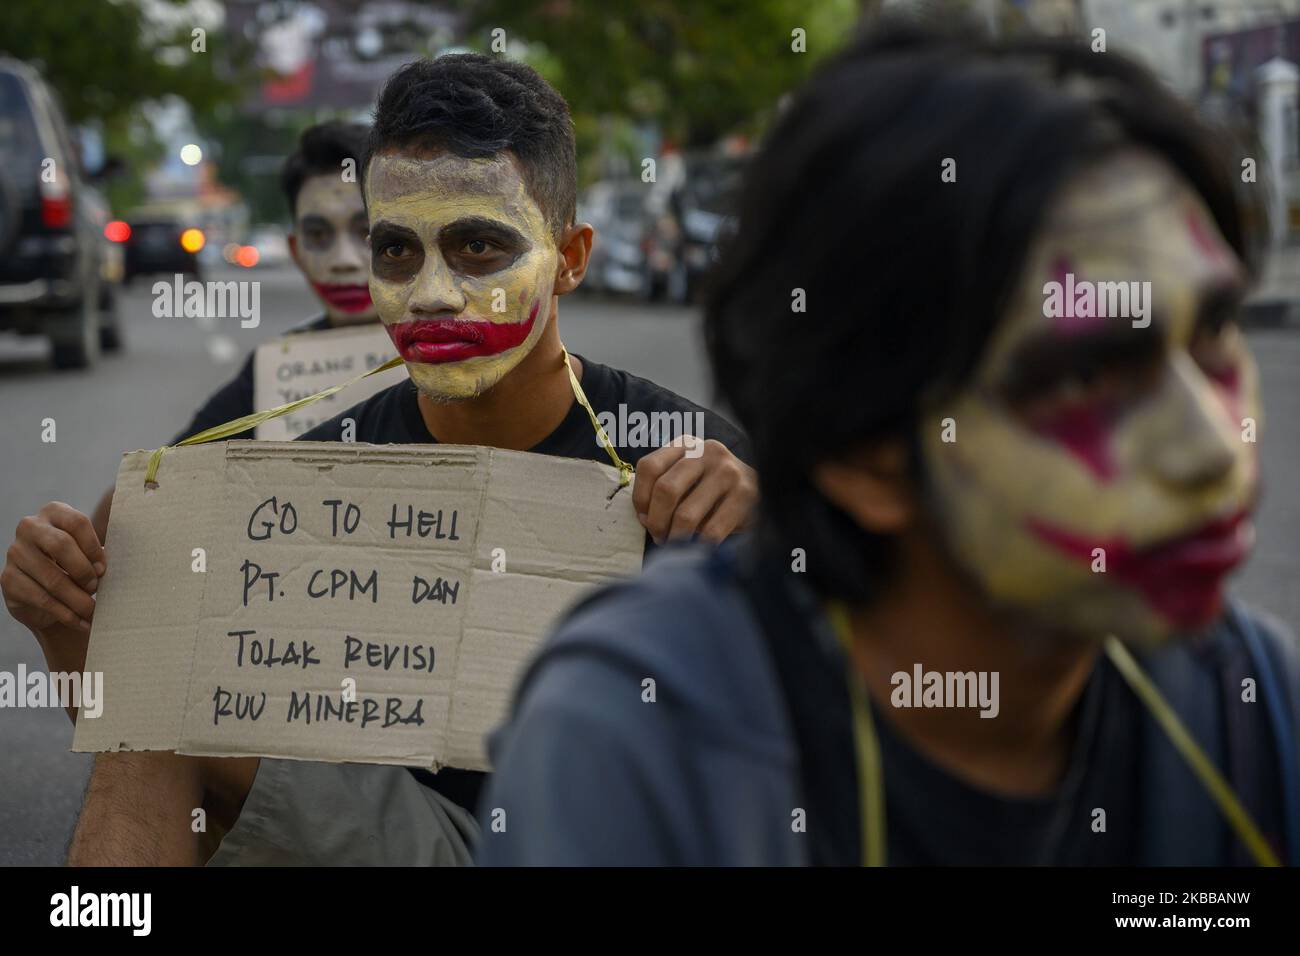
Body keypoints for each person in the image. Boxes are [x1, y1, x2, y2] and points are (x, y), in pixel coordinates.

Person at [476, 25, 1300, 866]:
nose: (1212, 444)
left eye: (1217, 331)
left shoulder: (1251, 708)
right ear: (866, 451)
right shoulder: (638, 749)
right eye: (1087, 378)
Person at [2, 54, 757, 865]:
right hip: (406, 842)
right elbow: (140, 728)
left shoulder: (690, 465)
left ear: (570, 257)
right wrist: (66, 626)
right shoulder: (322, 481)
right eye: (397, 251)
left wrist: (769, 542)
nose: (431, 293)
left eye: (477, 247)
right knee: (156, 714)